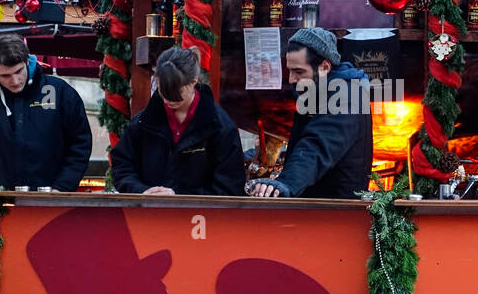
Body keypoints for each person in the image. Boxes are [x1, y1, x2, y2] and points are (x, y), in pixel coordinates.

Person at [248, 27, 373, 199]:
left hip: (337, 215)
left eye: (299, 71)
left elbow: (316, 147)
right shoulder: (317, 91)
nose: (291, 79)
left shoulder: (345, 97)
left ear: (324, 67)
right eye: (290, 70)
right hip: (320, 210)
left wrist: (286, 183)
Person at [109, 46, 244, 196]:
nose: (168, 100)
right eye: (163, 92)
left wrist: (179, 196)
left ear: (194, 82)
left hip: (201, 216)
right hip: (147, 213)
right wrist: (142, 191)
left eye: (175, 93)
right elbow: (122, 167)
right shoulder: (142, 123)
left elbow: (230, 184)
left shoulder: (221, 126)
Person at [0, 34, 92, 192]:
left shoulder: (60, 92)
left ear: (27, 61)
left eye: (19, 71)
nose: (15, 81)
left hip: (49, 196)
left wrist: (63, 187)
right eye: (5, 76)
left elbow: (80, 144)